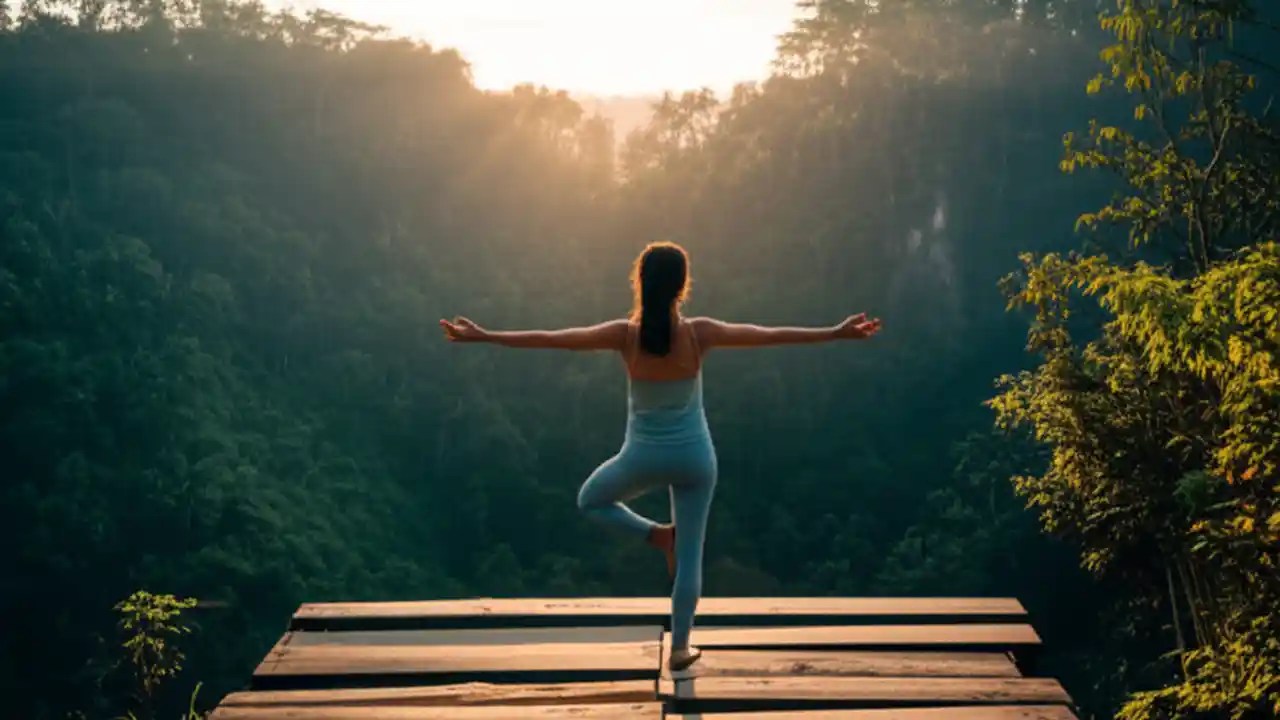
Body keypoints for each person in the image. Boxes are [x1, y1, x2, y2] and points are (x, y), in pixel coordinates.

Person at [439, 241, 882, 671]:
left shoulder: (624, 336)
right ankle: (680, 649)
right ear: (681, 288)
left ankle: (655, 536)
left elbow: (553, 339)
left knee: (590, 500)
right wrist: (835, 333)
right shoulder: (698, 333)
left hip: (642, 459)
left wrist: (486, 336)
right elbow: (767, 335)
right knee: (691, 558)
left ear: (641, 282)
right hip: (696, 462)